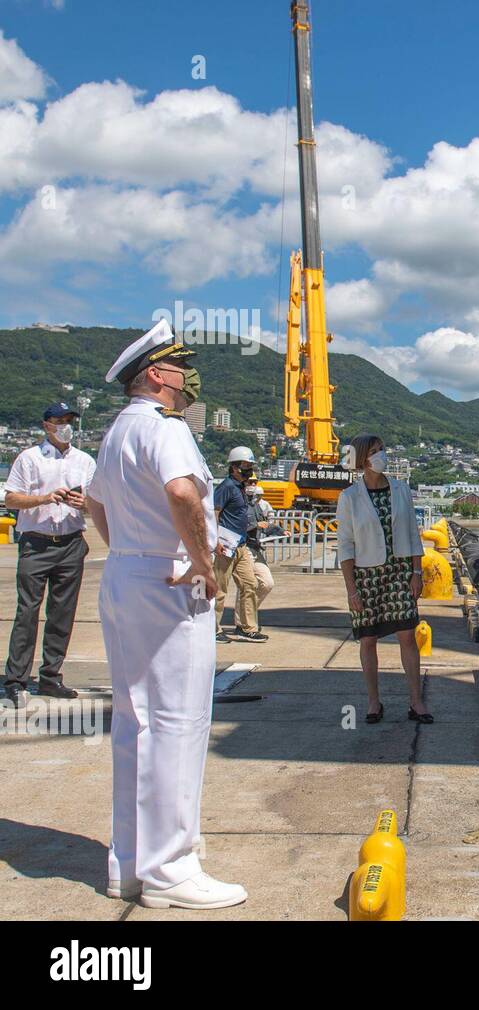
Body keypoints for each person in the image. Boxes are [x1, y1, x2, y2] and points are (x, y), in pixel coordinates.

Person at [83, 318, 247, 909]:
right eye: (179, 366)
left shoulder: (115, 433)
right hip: (169, 581)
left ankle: (128, 862)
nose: (188, 375)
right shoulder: (164, 427)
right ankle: (172, 868)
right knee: (178, 721)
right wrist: (203, 562)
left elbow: (97, 504)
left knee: (135, 721)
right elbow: (182, 492)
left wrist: (128, 549)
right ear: (156, 374)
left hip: (126, 574)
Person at [2, 401, 96, 706]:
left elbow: (98, 501)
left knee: (62, 612)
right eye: (60, 420)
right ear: (47, 425)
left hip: (70, 541)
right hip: (36, 541)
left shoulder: (84, 461)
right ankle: (16, 679)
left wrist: (84, 504)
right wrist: (45, 498)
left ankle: (51, 675)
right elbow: (12, 498)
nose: (66, 425)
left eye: (70, 420)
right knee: (27, 611)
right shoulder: (29, 459)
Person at [336, 434, 431, 725]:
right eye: (375, 452)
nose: (381, 456)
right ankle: (373, 702)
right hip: (367, 575)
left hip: (400, 571)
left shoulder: (401, 489)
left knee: (407, 637)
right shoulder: (349, 497)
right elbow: (346, 546)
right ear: (363, 459)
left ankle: (416, 702)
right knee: (368, 640)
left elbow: (413, 533)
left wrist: (417, 572)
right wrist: (351, 590)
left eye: (382, 450)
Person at [212, 446, 266, 643]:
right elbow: (215, 512)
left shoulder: (241, 488)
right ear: (234, 467)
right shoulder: (226, 487)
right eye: (245, 466)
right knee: (220, 588)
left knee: (249, 584)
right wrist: (215, 539)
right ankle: (213, 628)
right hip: (226, 544)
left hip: (241, 545)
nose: (249, 469)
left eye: (250, 465)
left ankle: (247, 627)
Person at [239, 481, 274, 617]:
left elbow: (266, 523)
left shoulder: (259, 506)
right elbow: (237, 525)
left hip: (256, 547)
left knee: (267, 583)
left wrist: (279, 530)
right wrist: (255, 525)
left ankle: (248, 613)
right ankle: (243, 621)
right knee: (247, 585)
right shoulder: (239, 505)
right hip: (244, 547)